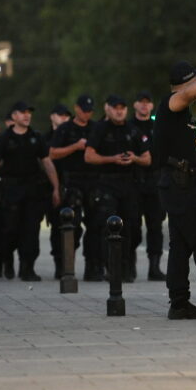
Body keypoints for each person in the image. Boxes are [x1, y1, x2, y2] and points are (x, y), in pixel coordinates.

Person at [153, 61, 196, 319]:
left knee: (180, 245)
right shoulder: (171, 104)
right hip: (177, 185)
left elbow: (192, 151)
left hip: (185, 184)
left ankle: (179, 302)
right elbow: (185, 94)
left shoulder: (185, 115)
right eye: (195, 83)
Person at [0, 101, 61, 282]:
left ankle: (28, 268)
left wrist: (56, 188)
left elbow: (47, 163)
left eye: (29, 112)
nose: (27, 116)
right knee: (10, 229)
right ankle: (6, 260)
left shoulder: (36, 136)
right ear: (14, 116)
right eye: (22, 112)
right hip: (11, 191)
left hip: (32, 191)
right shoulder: (4, 138)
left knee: (31, 230)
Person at [85, 94, 151, 282]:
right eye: (115, 107)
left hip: (129, 184)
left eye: (122, 107)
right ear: (107, 109)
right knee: (108, 226)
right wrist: (112, 159)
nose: (119, 111)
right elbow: (89, 156)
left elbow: (147, 159)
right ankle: (110, 267)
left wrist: (135, 158)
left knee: (131, 227)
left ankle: (127, 266)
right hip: (107, 183)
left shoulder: (133, 130)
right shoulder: (100, 129)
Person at [50, 95, 99, 279]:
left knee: (96, 227)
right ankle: (66, 266)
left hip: (93, 181)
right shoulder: (65, 129)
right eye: (84, 110)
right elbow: (53, 153)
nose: (87, 114)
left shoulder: (96, 128)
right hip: (72, 183)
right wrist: (75, 147)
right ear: (76, 109)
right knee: (72, 226)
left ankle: (93, 266)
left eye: (90, 111)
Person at [131, 91, 167, 281]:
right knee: (132, 226)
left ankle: (154, 267)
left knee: (155, 226)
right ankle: (129, 265)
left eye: (148, 102)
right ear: (135, 105)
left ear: (152, 106)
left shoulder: (157, 127)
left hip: (155, 181)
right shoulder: (129, 127)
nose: (144, 106)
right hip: (134, 182)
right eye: (141, 102)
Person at [45, 103, 72, 278]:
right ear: (52, 116)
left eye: (66, 115)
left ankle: (68, 262)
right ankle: (59, 264)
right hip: (51, 187)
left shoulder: (72, 137)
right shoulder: (45, 138)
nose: (63, 118)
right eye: (60, 115)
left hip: (71, 185)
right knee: (57, 226)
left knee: (72, 228)